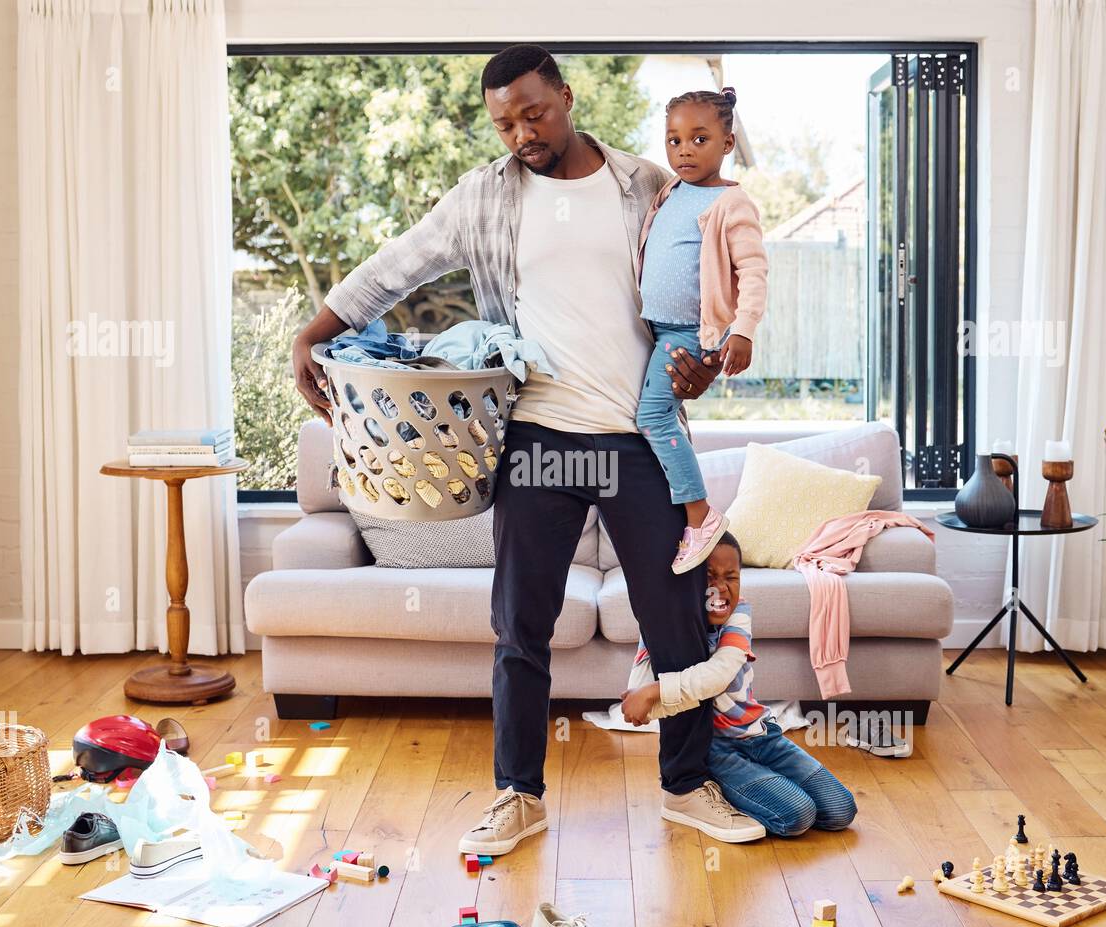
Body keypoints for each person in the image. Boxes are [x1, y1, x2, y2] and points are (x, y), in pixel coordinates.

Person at [291, 45, 765, 854]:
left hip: (638, 441)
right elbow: (394, 267)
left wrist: (701, 366)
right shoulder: (483, 197)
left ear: (568, 98)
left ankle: (688, 785)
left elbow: (707, 286)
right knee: (520, 627)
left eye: (534, 113)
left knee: (679, 620)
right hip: (538, 436)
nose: (520, 134)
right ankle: (519, 794)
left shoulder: (648, 185)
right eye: (504, 122)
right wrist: (314, 332)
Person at [622, 534, 858, 837]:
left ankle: (760, 782)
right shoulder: (666, 625)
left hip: (762, 735)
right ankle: (724, 787)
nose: (721, 588)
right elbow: (638, 694)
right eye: (709, 577)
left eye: (731, 577)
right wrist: (643, 695)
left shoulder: (739, 613)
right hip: (718, 749)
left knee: (841, 809)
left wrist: (653, 692)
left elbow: (717, 676)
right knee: (798, 815)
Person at [635, 88, 768, 574]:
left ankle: (700, 516)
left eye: (698, 138)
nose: (684, 150)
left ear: (727, 143)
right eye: (673, 140)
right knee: (652, 418)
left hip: (688, 332)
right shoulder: (670, 189)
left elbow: (753, 270)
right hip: (654, 329)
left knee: (653, 417)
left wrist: (743, 330)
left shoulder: (732, 202)